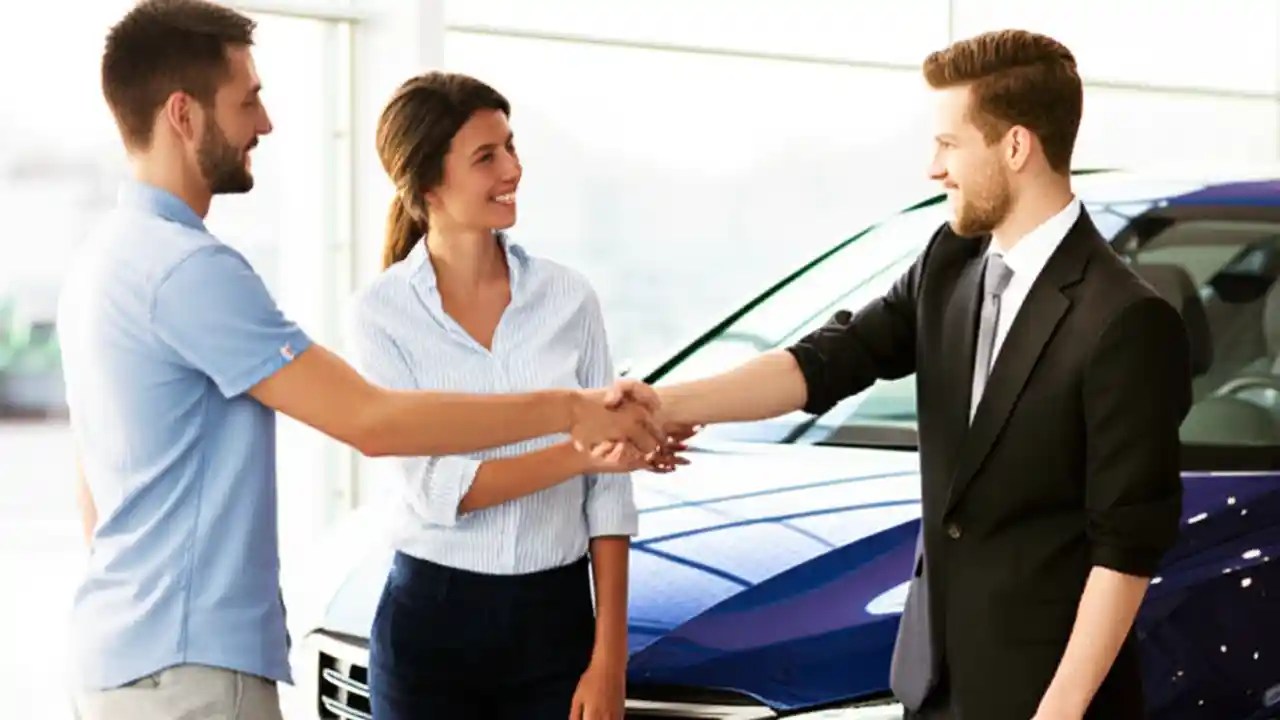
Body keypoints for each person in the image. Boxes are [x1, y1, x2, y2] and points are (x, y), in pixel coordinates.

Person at [58, 2, 664, 719]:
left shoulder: (105, 258)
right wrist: (574, 416)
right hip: (188, 668)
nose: (265, 123)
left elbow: (95, 485)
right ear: (183, 115)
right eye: (248, 100)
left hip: (125, 654)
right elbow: (372, 422)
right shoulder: (191, 272)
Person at [621, 29, 1192, 719]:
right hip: (932, 686)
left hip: (1044, 696)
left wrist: (1061, 710)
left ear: (1015, 146)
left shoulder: (1126, 320)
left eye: (949, 144)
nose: (934, 169)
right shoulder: (949, 263)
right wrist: (661, 404)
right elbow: (825, 362)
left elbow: (1125, 548)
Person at [348, 71, 686, 720]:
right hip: (431, 630)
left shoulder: (568, 298)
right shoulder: (382, 313)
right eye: (486, 156)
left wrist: (609, 658)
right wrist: (585, 448)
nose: (512, 169)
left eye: (510, 146)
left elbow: (609, 496)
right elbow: (439, 489)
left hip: (556, 624)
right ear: (428, 183)